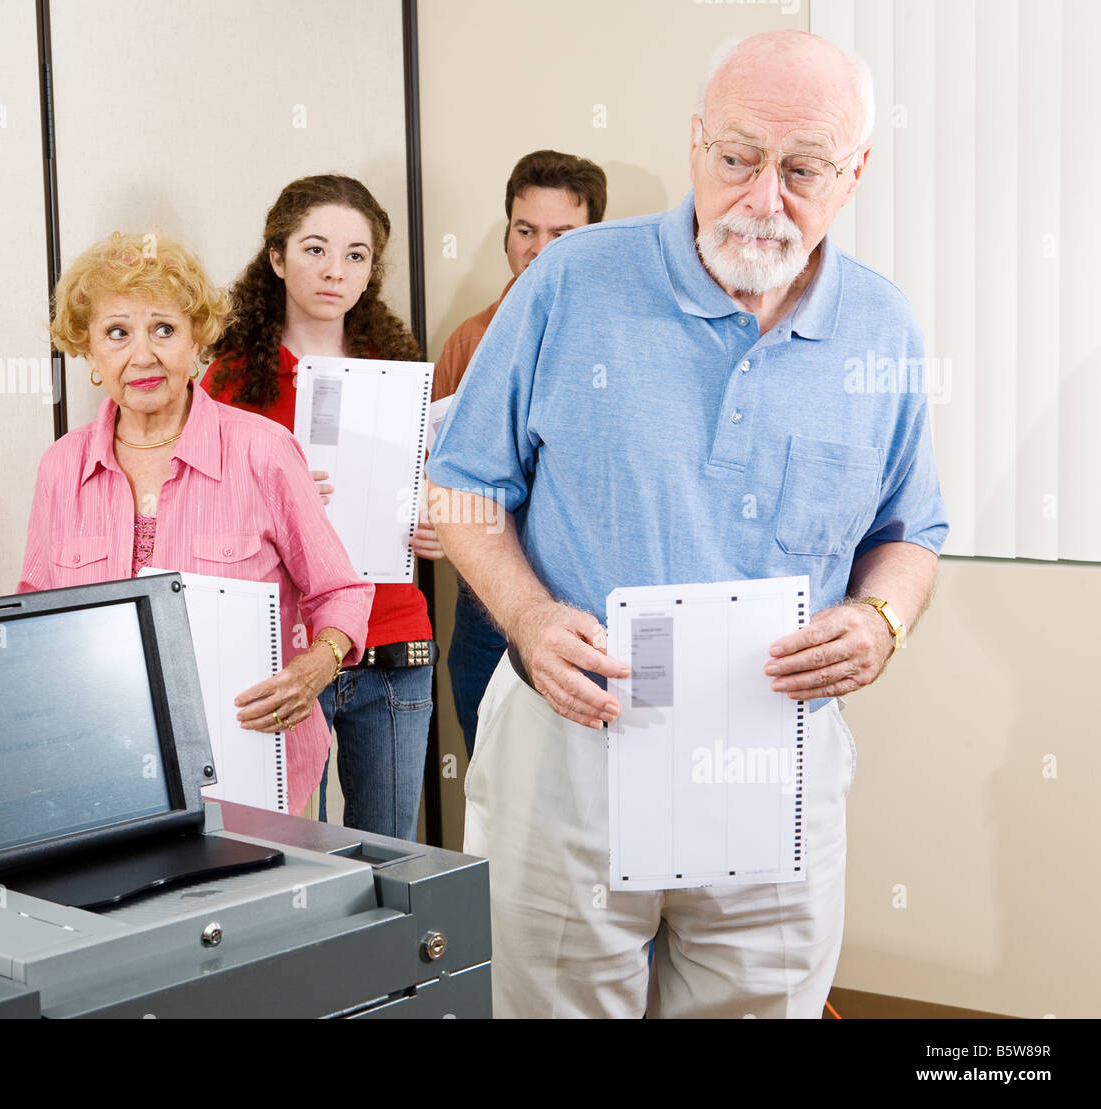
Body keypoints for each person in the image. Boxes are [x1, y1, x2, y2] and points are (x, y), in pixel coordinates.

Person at [426, 29, 948, 1019]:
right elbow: (461, 487)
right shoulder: (571, 282)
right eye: (737, 158)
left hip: (772, 753)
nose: (762, 199)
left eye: (801, 170)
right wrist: (528, 617)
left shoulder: (882, 330)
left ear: (856, 171)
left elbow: (910, 530)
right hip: (572, 742)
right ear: (696, 141)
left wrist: (882, 620)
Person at [18, 231, 373, 820]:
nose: (143, 355)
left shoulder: (262, 449)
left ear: (197, 339)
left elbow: (340, 591)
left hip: (255, 758)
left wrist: (315, 669)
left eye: (164, 329)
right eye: (116, 333)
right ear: (88, 353)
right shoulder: (61, 467)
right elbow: (35, 617)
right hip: (111, 762)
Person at [203, 175, 436, 842]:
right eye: (315, 249)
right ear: (276, 258)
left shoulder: (395, 364)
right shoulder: (228, 380)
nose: (336, 270)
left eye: (356, 255)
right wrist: (278, 500)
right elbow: (205, 521)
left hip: (392, 637)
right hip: (284, 652)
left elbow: (433, 485)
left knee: (388, 859)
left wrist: (437, 525)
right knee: (287, 859)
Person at [432, 150, 607, 758]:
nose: (539, 249)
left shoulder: (620, 343)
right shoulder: (470, 341)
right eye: (524, 230)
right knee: (492, 792)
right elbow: (438, 473)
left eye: (562, 234)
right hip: (487, 612)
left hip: (589, 612)